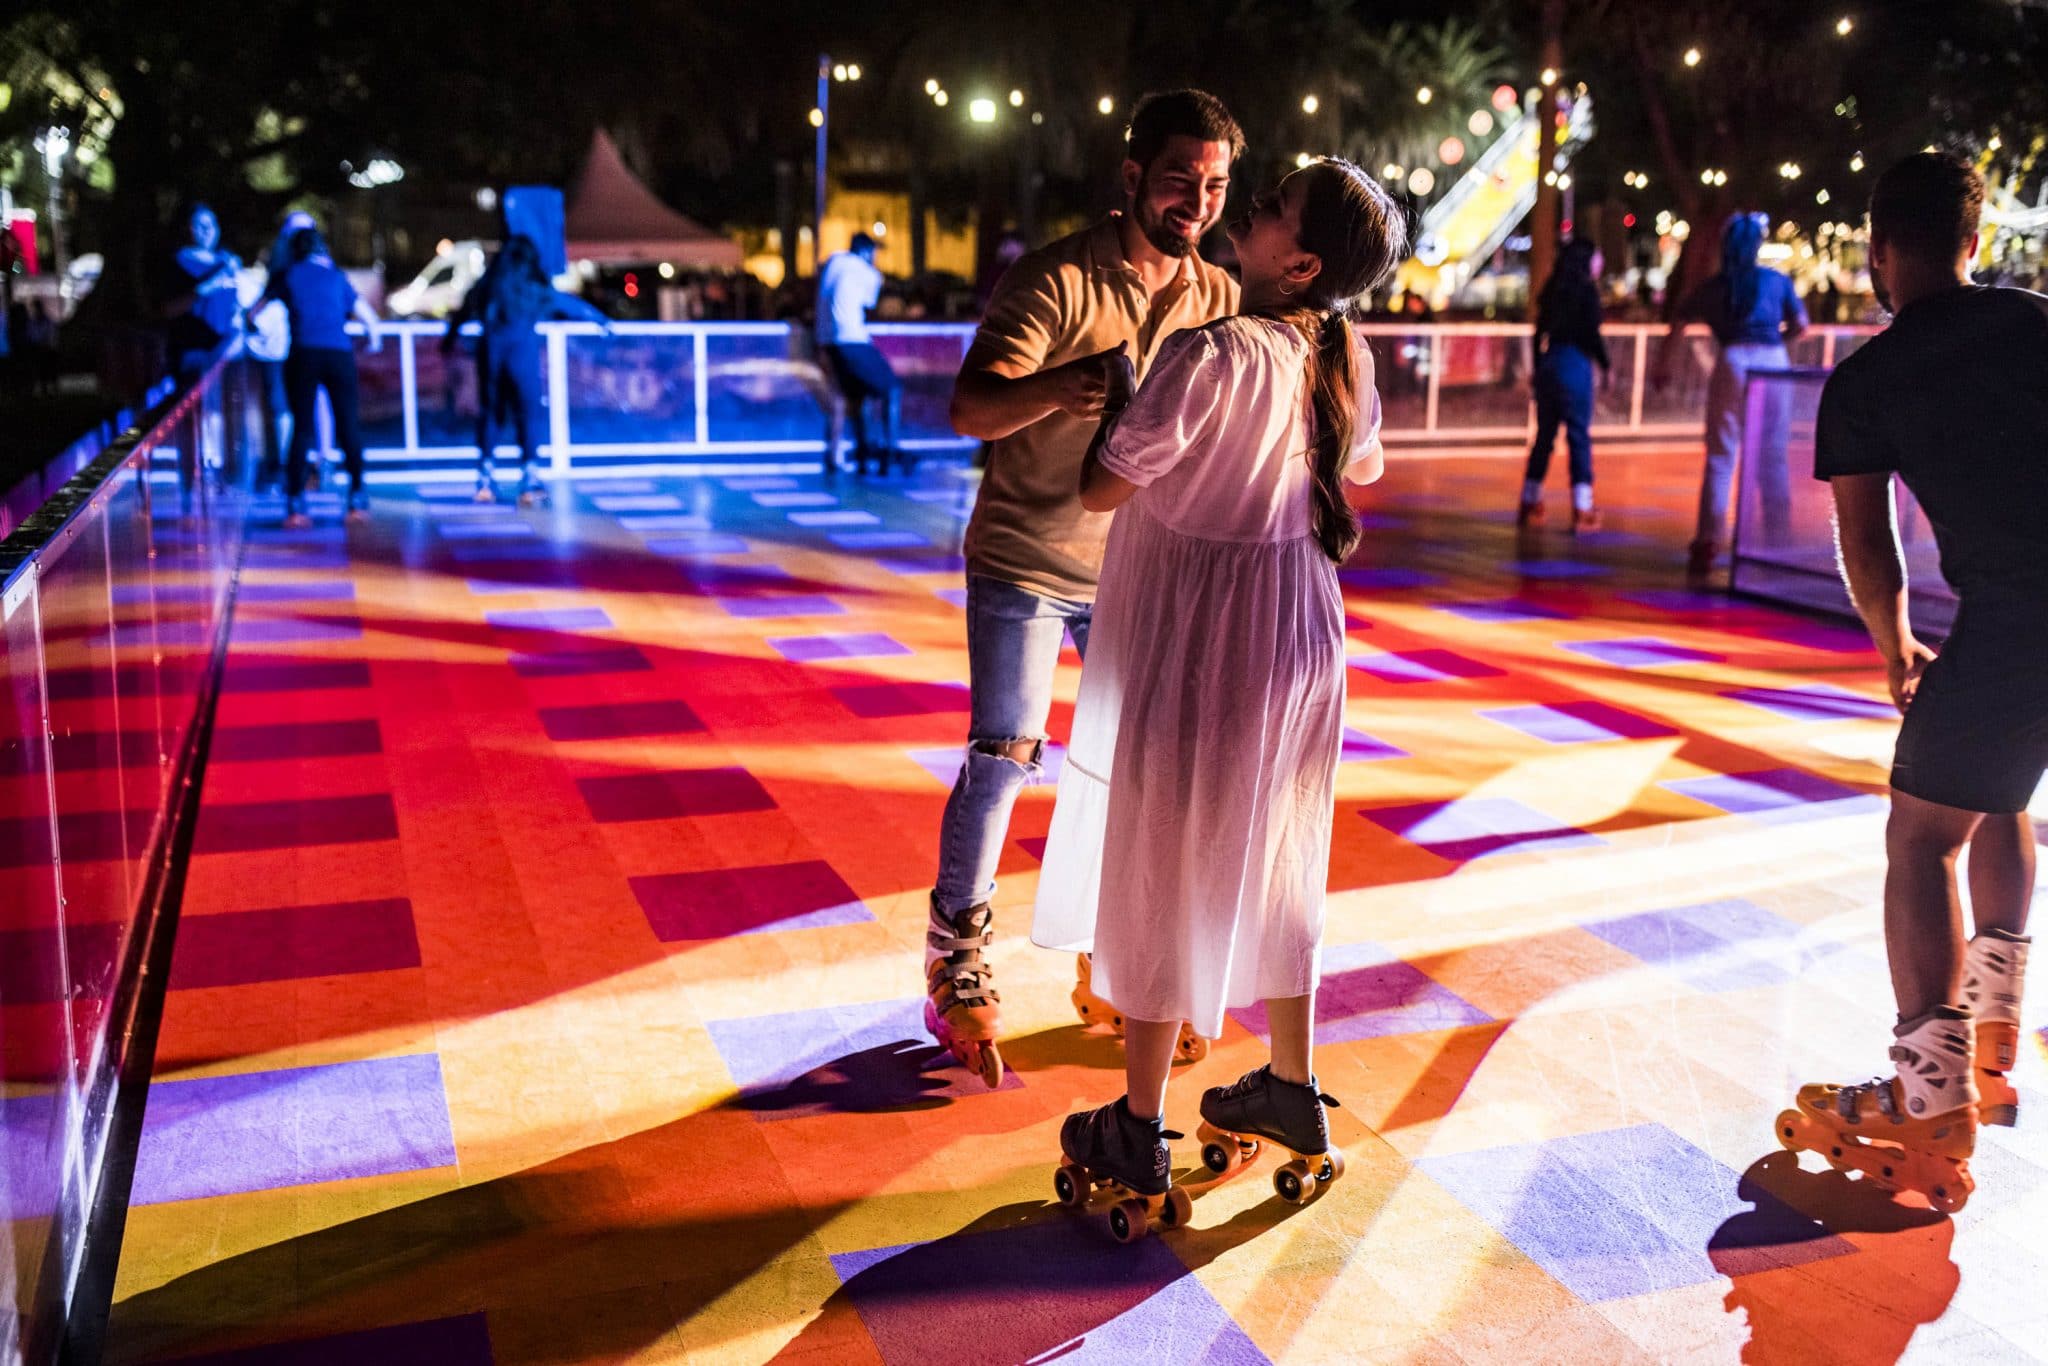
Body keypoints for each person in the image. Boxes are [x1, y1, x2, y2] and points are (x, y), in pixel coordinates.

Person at [1033, 160, 1406, 1220]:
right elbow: (1362, 465)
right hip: (1298, 625)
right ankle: (1288, 1086)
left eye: (1274, 204)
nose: (1251, 210)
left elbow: (1107, 481)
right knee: (1282, 852)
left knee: (1160, 850)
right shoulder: (1342, 348)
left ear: (1299, 261)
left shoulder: (1207, 350)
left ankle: (1137, 1124)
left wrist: (1117, 401)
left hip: (1200, 630)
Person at [925, 90, 1243, 1087]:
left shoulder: (1217, 296)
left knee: (1134, 770)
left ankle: (1113, 957)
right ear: (1132, 179)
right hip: (1024, 557)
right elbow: (969, 405)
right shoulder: (1056, 281)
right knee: (1005, 753)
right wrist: (1056, 390)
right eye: (1179, 180)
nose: (1196, 201)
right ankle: (956, 963)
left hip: (1134, 570)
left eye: (1215, 185)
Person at [1779, 152, 2038, 1214]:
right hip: (2024, 633)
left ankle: (1928, 1105)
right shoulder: (2035, 321)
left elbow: (1867, 544)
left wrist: (1894, 649)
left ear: (1879, 253)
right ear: (1973, 244)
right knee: (1998, 797)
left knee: (1921, 833)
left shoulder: (1866, 379)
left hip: (2014, 622)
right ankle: (1988, 1035)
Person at [1668, 212, 1808, 579]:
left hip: (1731, 361)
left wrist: (1663, 363)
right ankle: (1777, 542)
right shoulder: (1776, 282)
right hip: (1772, 363)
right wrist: (1779, 342)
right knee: (1772, 453)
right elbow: (1801, 325)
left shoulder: (1716, 286)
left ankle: (1709, 540)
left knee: (1721, 454)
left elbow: (1679, 317)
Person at [443, 233, 609, 506]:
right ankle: (529, 480)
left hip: (491, 353)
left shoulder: (490, 284)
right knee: (529, 413)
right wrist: (599, 319)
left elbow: (464, 309)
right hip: (521, 355)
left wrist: (450, 339)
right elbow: (563, 303)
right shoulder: (530, 285)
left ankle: (485, 479)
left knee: (491, 413)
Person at [264, 226, 382, 528]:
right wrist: (371, 344)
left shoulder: (287, 274)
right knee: (348, 426)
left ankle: (295, 503)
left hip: (303, 354)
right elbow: (370, 321)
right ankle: (356, 497)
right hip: (339, 355)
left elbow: (254, 314)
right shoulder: (336, 277)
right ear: (322, 249)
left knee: (302, 429)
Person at [1519, 238, 1610, 532]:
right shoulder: (1587, 292)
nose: (1600, 263)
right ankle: (1582, 508)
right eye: (1597, 257)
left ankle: (1530, 501)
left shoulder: (1553, 290)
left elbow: (1537, 333)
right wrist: (1606, 366)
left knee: (1544, 436)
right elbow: (1591, 335)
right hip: (1575, 365)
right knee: (1578, 436)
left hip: (1550, 363)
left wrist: (1537, 366)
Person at [816, 232, 902, 475]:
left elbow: (826, 295)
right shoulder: (870, 274)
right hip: (853, 339)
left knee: (856, 396)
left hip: (829, 342)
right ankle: (890, 452)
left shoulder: (833, 262)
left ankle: (859, 452)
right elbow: (869, 304)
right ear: (866, 252)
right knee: (892, 390)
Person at [247, 211, 316, 491]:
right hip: (279, 343)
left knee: (297, 405)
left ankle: (303, 465)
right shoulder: (288, 268)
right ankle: (288, 467)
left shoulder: (301, 267)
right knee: (282, 405)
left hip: (299, 344)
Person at [169, 204, 244, 384]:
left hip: (227, 354)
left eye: (211, 224)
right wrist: (208, 286)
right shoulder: (179, 262)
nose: (207, 230)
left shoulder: (228, 262)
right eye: (199, 225)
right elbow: (169, 308)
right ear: (189, 228)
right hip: (194, 350)